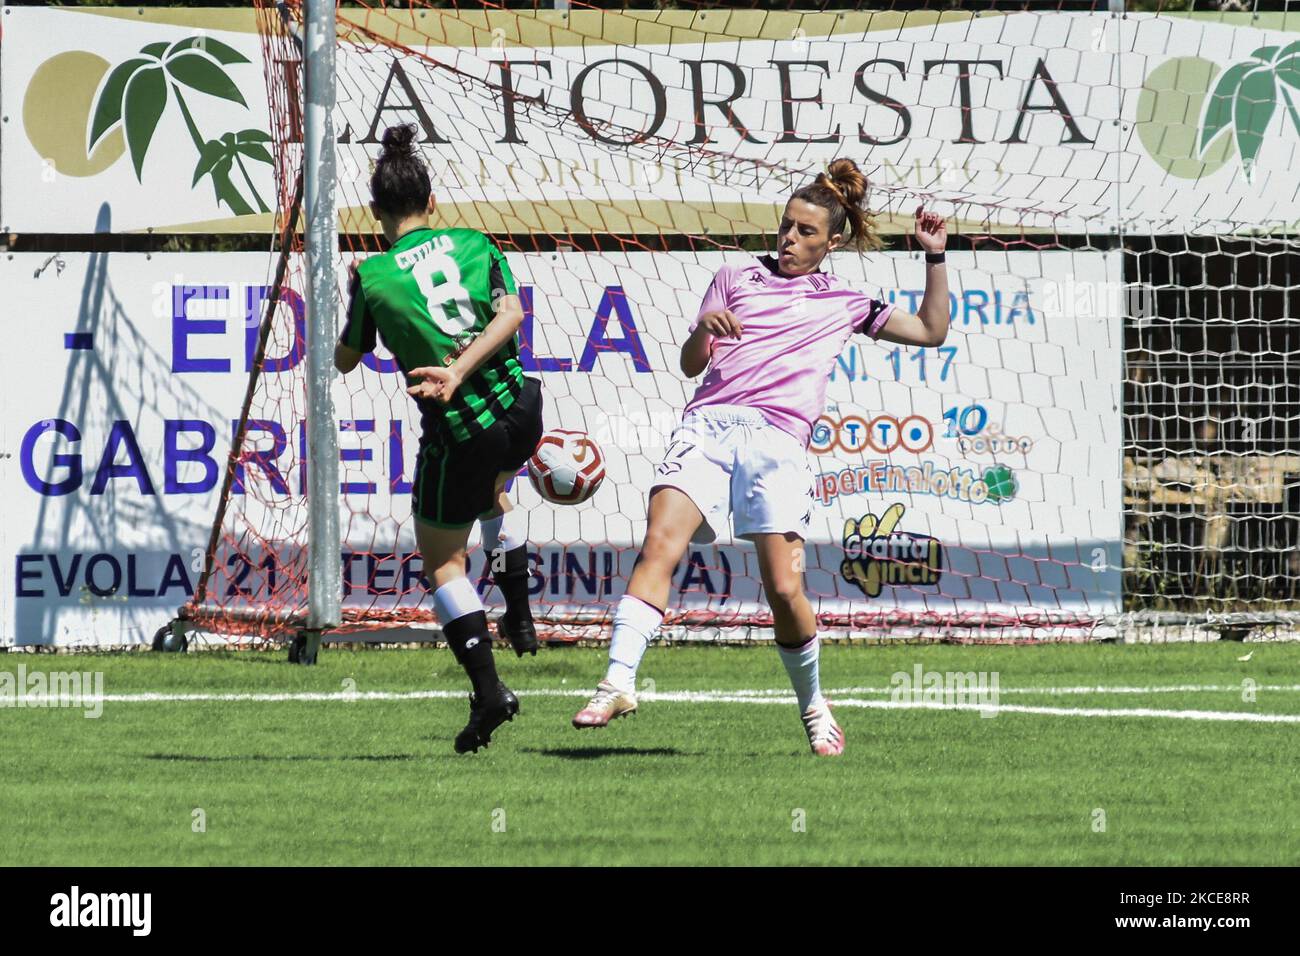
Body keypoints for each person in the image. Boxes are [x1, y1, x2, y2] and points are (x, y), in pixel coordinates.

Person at [571, 158, 950, 756]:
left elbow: (932, 331)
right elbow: (693, 364)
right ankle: (616, 682)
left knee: (782, 587)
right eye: (786, 227)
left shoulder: (845, 300)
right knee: (658, 546)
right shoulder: (734, 275)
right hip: (708, 428)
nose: (790, 241)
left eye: (805, 233)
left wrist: (934, 255)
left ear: (833, 242)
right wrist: (703, 329)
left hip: (777, 443)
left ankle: (814, 705)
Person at [334, 124, 544, 753]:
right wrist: (469, 364)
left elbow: (347, 360)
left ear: (376, 213)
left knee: (444, 563)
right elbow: (511, 314)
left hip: (462, 432)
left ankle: (488, 692)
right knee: (493, 497)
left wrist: (451, 371)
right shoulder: (476, 244)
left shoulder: (373, 277)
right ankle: (520, 612)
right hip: (523, 411)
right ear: (432, 203)